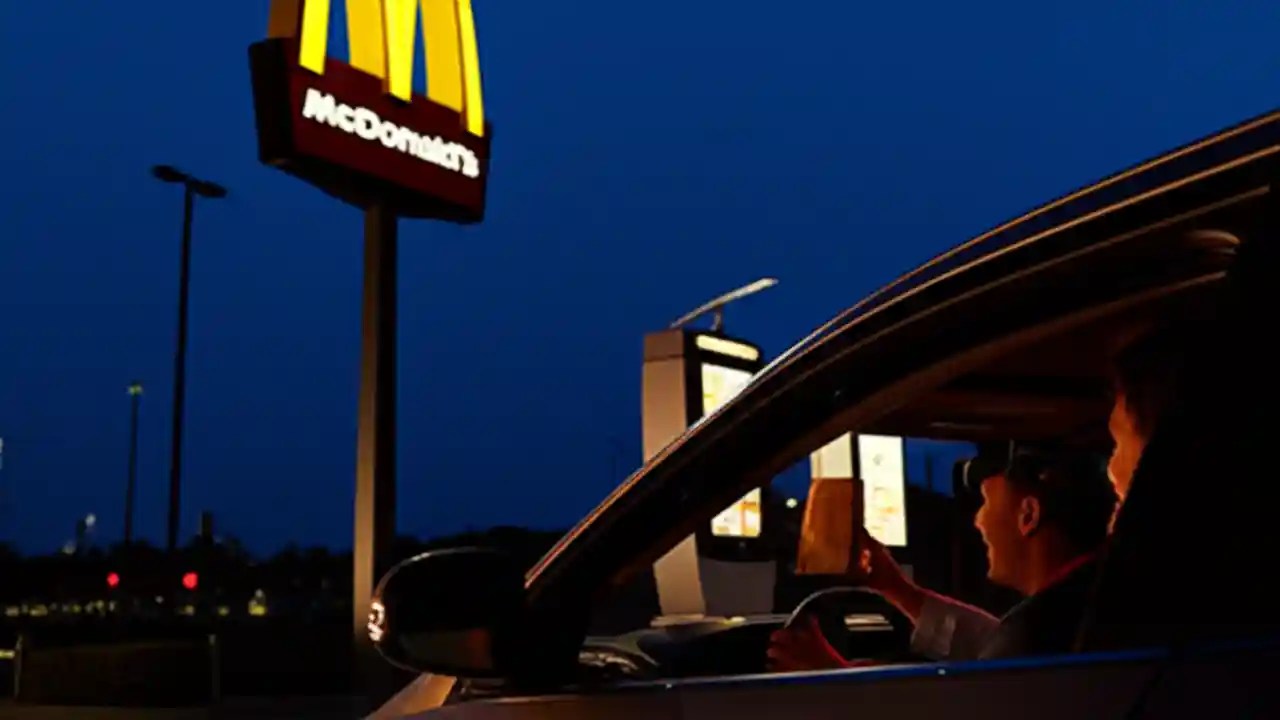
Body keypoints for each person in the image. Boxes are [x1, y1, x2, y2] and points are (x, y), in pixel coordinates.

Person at [768, 444, 1117, 670]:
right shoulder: (1085, 605)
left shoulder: (1035, 634)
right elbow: (985, 643)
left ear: (1029, 515)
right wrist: (896, 587)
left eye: (984, 503)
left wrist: (834, 679)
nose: (977, 520)